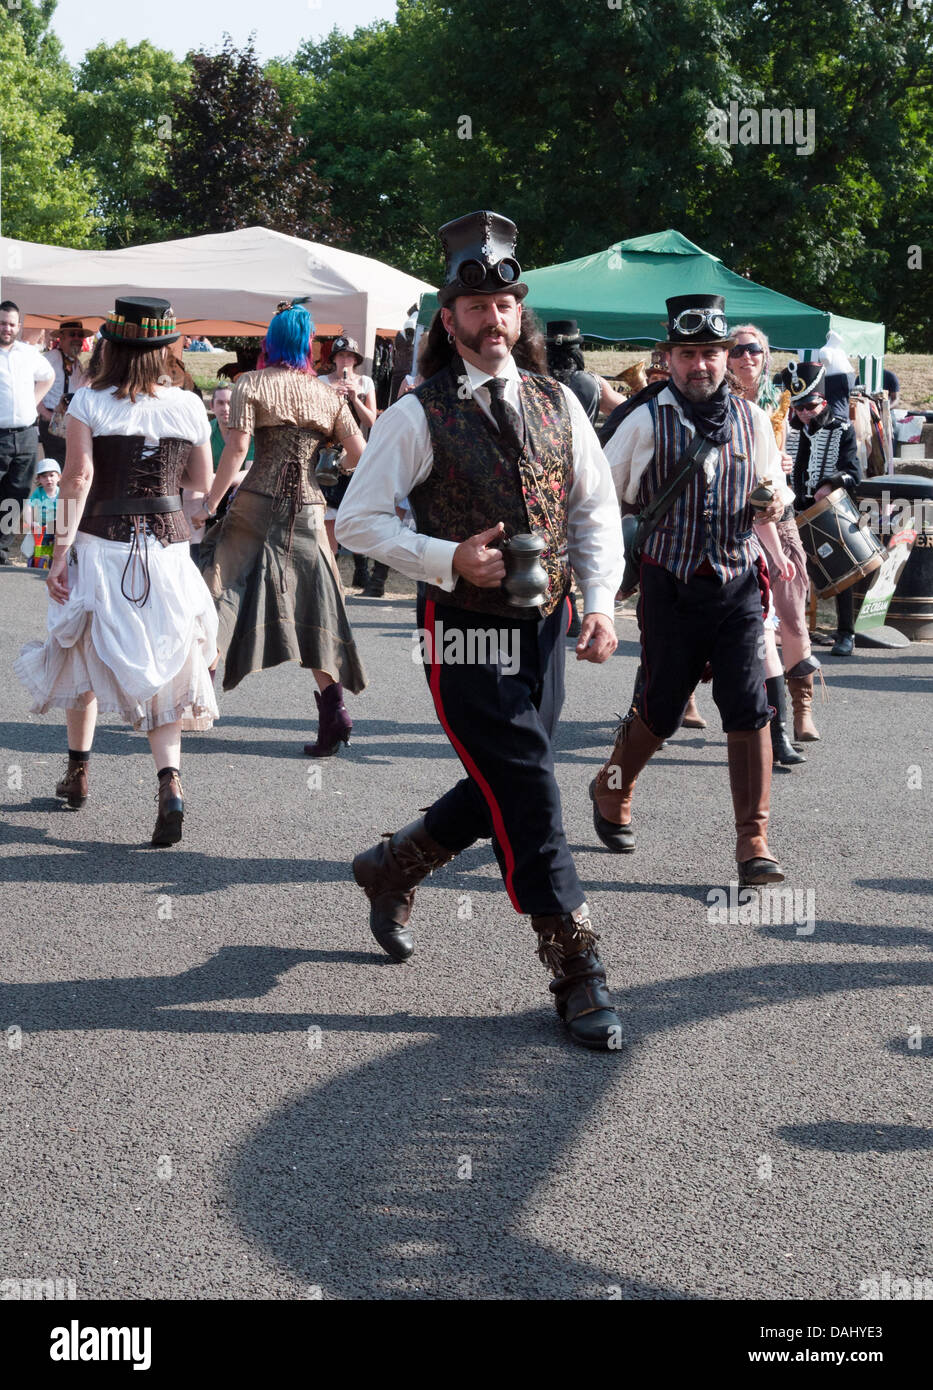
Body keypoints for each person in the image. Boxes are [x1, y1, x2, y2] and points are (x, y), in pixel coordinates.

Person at [337, 210, 625, 1052]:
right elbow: (357, 522)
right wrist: (445, 558)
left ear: (518, 311)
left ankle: (392, 864)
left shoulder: (557, 402)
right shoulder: (415, 413)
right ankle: (575, 966)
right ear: (449, 320)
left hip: (546, 622)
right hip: (461, 629)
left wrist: (602, 603)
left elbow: (594, 511)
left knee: (508, 776)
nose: (492, 318)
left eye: (504, 304)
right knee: (529, 785)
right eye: (475, 306)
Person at [595, 294, 793, 887]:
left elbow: (774, 487)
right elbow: (603, 502)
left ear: (727, 356)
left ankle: (753, 841)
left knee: (748, 705)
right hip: (669, 584)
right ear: (669, 357)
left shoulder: (753, 418)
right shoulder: (641, 419)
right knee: (659, 709)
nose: (701, 365)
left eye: (711, 352)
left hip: (736, 584)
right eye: (689, 354)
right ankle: (610, 790)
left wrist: (773, 501)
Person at [14, 296, 218, 846]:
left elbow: (77, 480)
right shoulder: (188, 407)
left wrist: (59, 554)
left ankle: (79, 775)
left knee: (84, 651)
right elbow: (197, 488)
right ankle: (169, 785)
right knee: (168, 663)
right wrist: (200, 516)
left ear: (112, 346)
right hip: (170, 550)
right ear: (165, 348)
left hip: (101, 545)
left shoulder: (88, 401)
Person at [192, 302, 367, 757]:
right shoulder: (328, 396)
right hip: (307, 509)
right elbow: (360, 456)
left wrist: (210, 506)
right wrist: (333, 461)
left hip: (255, 503)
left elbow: (236, 451)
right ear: (309, 346)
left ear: (271, 341)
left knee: (220, 587)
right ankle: (335, 713)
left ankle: (197, 697)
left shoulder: (249, 384)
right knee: (318, 603)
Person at [728, 323, 819, 751]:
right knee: (706, 612)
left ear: (765, 356)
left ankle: (800, 710)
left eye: (755, 350)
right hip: (729, 517)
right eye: (738, 350)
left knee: (792, 607)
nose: (747, 357)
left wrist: (783, 460)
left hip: (777, 513)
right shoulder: (714, 401)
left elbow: (791, 467)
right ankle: (680, 700)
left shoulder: (781, 401)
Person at [781, 360, 861, 659]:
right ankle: (792, 627)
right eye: (798, 407)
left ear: (823, 401)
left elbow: (854, 473)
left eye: (810, 406)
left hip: (828, 510)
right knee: (789, 570)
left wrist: (830, 484)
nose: (803, 413)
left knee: (841, 572)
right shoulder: (789, 431)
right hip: (791, 509)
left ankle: (846, 633)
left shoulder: (842, 429)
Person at [321, 335, 378, 592]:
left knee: (356, 513)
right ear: (333, 359)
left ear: (356, 361)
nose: (345, 361)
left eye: (350, 357)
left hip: (359, 456)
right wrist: (333, 396)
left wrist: (355, 398)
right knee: (330, 514)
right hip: (328, 455)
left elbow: (372, 422)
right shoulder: (322, 383)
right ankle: (331, 573)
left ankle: (361, 569)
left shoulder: (366, 382)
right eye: (341, 356)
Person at [0, 301, 55, 564]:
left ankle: (1, 550)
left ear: (19, 326)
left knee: (17, 497)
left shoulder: (28, 353)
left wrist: (31, 402)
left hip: (26, 435)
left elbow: (48, 376)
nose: (7, 328)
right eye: (2, 323)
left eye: (11, 324)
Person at [544, 320, 625, 424]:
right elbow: (626, 409)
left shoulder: (532, 381)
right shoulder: (594, 382)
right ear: (577, 353)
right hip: (583, 440)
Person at [38, 320, 91, 467]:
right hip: (52, 423)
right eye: (72, 335)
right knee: (58, 468)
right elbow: (31, 386)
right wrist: (45, 414)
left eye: (80, 336)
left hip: (68, 423)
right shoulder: (51, 358)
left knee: (68, 466)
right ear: (61, 337)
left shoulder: (77, 364)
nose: (77, 339)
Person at [22, 458, 61, 569]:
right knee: (37, 544)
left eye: (52, 475)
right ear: (39, 479)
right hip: (41, 526)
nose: (48, 479)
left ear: (59, 477)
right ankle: (37, 560)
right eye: (44, 476)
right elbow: (29, 507)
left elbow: (65, 509)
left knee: (59, 542)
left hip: (57, 527)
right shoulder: (38, 492)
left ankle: (56, 560)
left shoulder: (61, 493)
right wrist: (31, 522)